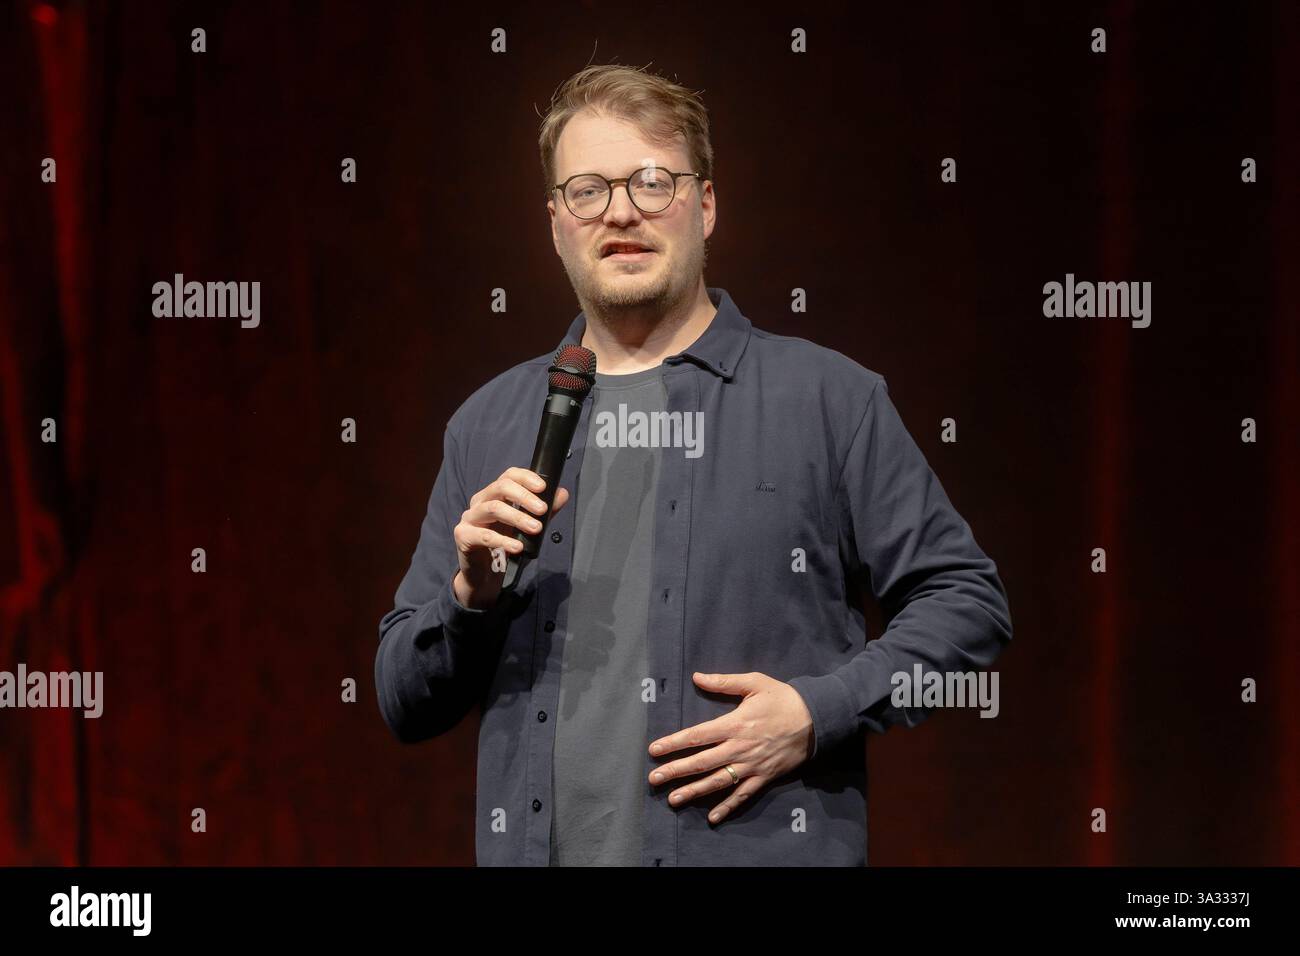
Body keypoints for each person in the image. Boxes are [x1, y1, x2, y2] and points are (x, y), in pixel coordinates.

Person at [374, 63, 1012, 866]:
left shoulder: (826, 400)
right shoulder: (489, 423)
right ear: (555, 222)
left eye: (652, 182)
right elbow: (403, 699)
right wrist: (472, 594)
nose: (621, 213)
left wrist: (821, 710)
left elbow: (969, 604)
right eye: (588, 190)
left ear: (705, 205)